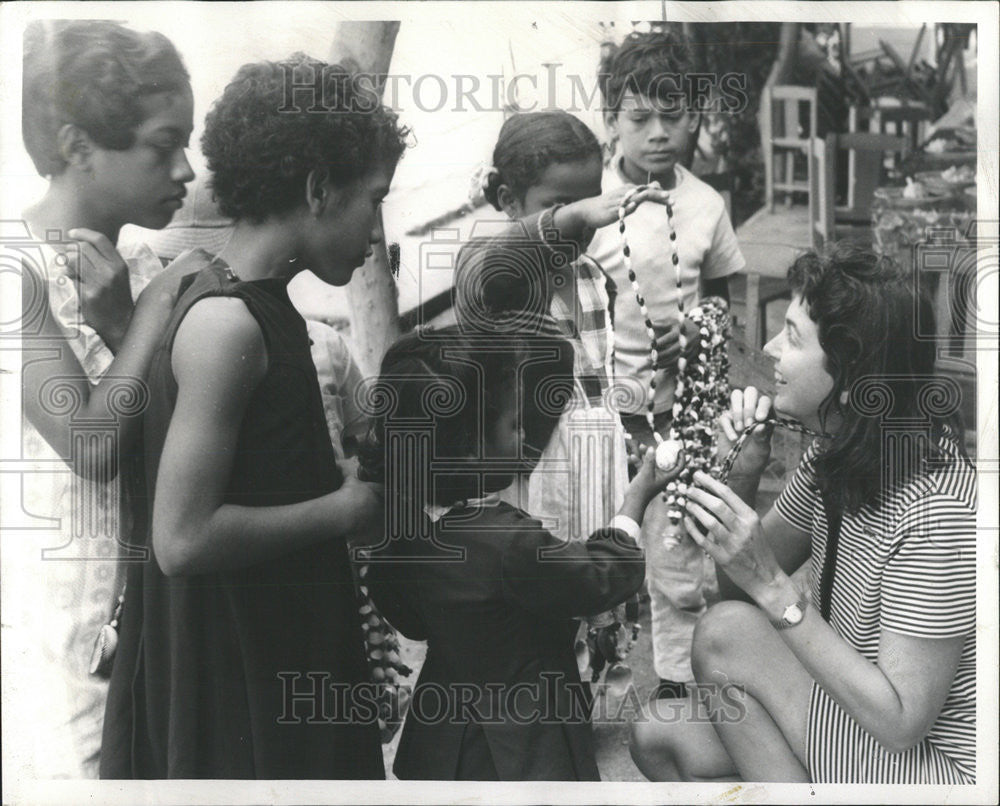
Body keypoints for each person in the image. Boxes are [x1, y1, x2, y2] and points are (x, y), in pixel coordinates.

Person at [99, 54, 408, 779]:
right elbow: (181, 539)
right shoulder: (226, 324)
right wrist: (344, 508)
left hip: (279, 638)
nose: (376, 230)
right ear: (318, 188)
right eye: (374, 199)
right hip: (239, 666)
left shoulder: (244, 303)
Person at [630, 243, 977, 784]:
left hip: (933, 767)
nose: (769, 349)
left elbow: (903, 722)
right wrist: (743, 472)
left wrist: (773, 584)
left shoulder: (939, 512)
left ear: (848, 369)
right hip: (853, 710)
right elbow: (740, 592)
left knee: (724, 636)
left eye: (791, 337)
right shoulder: (836, 452)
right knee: (659, 732)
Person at [7, 19, 203, 778]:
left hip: (142, 623)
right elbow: (90, 446)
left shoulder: (139, 261)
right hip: (57, 631)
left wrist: (127, 317)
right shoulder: (12, 269)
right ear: (77, 145)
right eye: (163, 145)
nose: (185, 168)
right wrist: (150, 313)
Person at [362, 325, 684, 780]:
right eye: (515, 424)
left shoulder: (405, 528)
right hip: (528, 733)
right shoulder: (509, 542)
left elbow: (408, 617)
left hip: (446, 729)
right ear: (471, 448)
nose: (524, 434)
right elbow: (599, 577)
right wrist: (637, 497)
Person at [587, 29, 746, 698]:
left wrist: (703, 330)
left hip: (674, 423)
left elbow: (727, 305)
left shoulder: (707, 207)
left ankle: (679, 684)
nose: (658, 133)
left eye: (674, 116)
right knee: (591, 554)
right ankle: (582, 688)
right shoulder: (583, 205)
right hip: (595, 419)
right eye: (639, 117)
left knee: (677, 557)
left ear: (696, 119)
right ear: (610, 120)